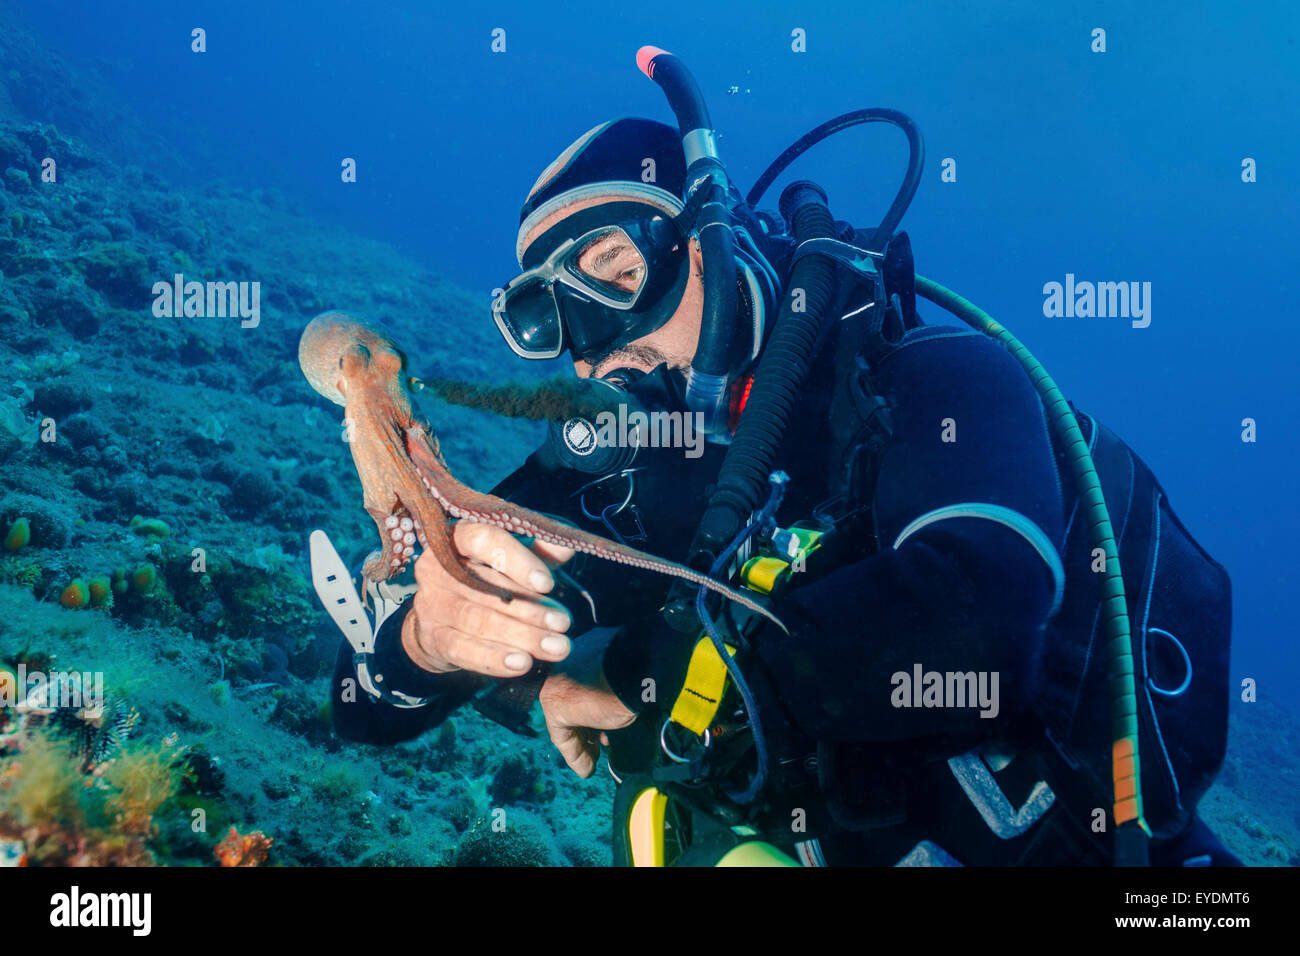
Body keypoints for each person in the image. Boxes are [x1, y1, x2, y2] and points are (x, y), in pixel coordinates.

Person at [323, 99, 1237, 866]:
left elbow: (976, 623)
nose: (595, 346)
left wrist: (637, 678)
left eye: (618, 273)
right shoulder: (621, 473)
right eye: (550, 317)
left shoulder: (940, 381)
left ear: (709, 239)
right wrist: (428, 642)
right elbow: (359, 711)